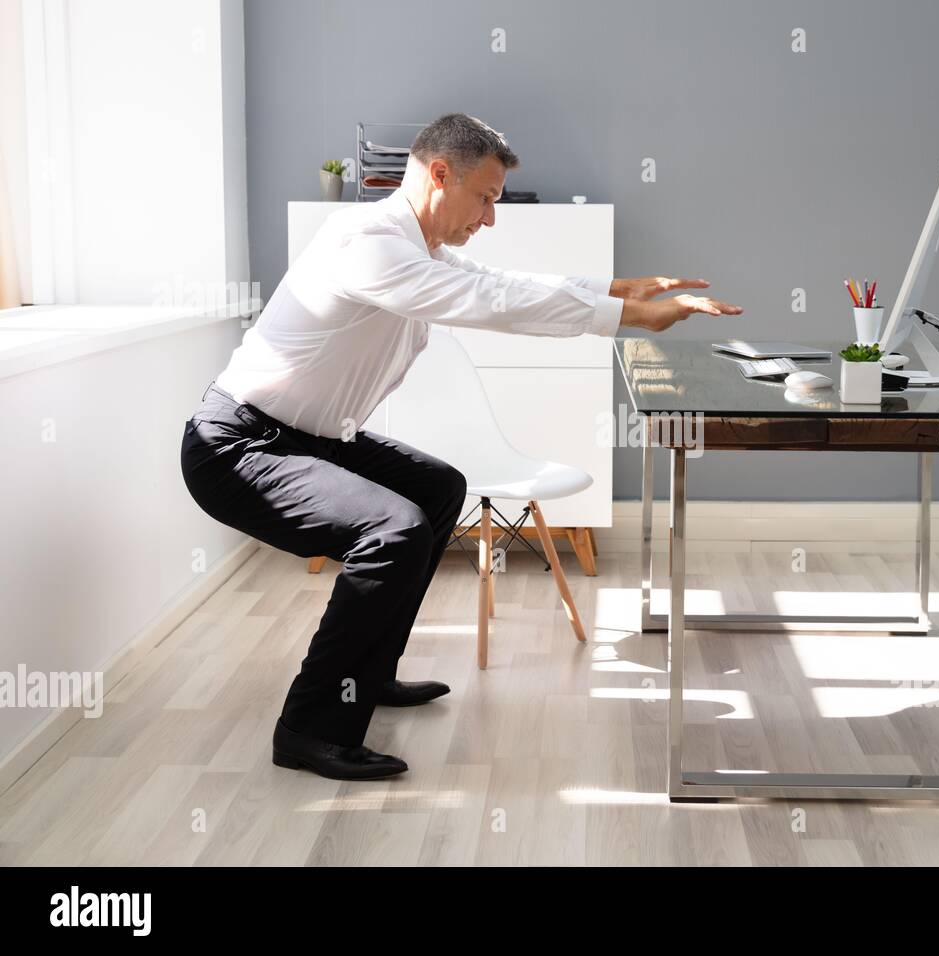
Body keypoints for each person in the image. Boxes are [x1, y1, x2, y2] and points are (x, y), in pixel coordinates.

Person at [179, 113, 742, 780]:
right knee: (393, 532)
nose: (490, 217)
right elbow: (489, 300)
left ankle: (368, 677)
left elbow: (507, 284)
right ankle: (309, 729)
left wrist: (619, 289)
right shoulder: (369, 243)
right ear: (439, 175)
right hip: (238, 448)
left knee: (437, 489)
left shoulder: (419, 249)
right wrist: (625, 319)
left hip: (308, 439)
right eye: (487, 198)